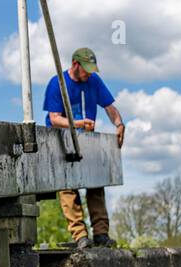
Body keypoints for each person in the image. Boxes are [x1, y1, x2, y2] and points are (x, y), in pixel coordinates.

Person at [44, 47, 125, 248]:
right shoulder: (57, 83)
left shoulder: (94, 81)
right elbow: (54, 119)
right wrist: (79, 124)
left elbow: (109, 107)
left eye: (92, 70)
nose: (89, 74)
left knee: (96, 184)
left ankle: (101, 235)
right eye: (86, 69)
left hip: (87, 141)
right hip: (61, 141)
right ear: (75, 64)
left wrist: (119, 124)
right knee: (68, 187)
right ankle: (80, 235)